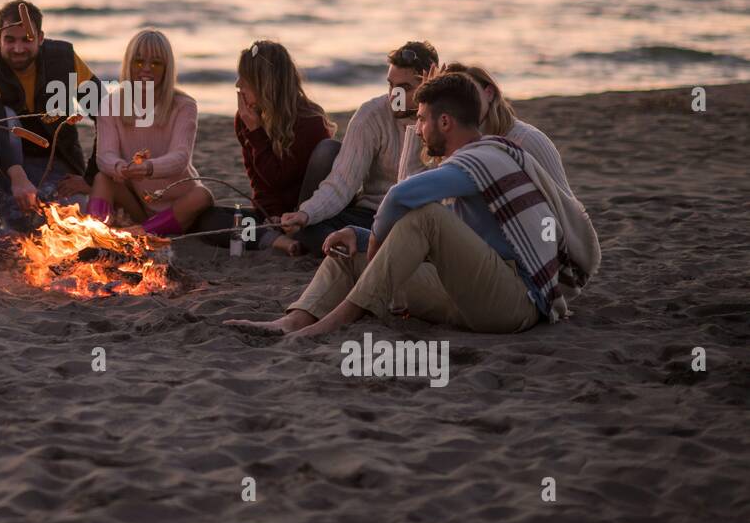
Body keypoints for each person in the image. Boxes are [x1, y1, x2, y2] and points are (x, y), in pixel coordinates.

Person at [227, 72, 600, 337]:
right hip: (472, 292)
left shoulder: (482, 160)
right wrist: (360, 237)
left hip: (512, 305)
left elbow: (399, 197)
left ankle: (335, 321)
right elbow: (446, 236)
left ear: (445, 122)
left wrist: (373, 243)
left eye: (421, 121)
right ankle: (292, 321)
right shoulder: (473, 164)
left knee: (425, 215)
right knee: (347, 251)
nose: (418, 130)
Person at [274, 40, 440, 256]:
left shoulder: (446, 120)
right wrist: (306, 213)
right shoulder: (372, 114)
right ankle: (367, 249)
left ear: (429, 85)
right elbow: (342, 182)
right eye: (391, 85)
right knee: (311, 229)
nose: (393, 96)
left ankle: (369, 251)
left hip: (421, 218)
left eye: (404, 88)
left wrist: (424, 117)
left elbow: (422, 188)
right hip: (371, 215)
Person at [0, 0, 101, 229]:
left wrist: (91, 178)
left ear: (40, 37)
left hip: (59, 160)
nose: (18, 48)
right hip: (5, 169)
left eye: (27, 39)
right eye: (10, 39)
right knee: (14, 229)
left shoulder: (65, 59)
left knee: (76, 223)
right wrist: (18, 178)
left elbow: (105, 115)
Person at [206, 40, 338, 249]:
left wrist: (257, 133)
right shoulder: (246, 119)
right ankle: (275, 241)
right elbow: (257, 180)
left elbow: (279, 178)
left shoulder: (310, 122)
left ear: (265, 84)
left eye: (245, 79)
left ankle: (283, 239)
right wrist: (271, 213)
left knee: (327, 151)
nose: (237, 84)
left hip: (305, 214)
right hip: (274, 218)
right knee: (209, 218)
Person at [85, 29, 213, 236]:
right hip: (140, 206)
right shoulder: (110, 104)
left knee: (202, 195)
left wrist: (149, 167)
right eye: (138, 62)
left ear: (166, 68)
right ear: (129, 64)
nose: (146, 69)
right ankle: (94, 234)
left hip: (180, 206)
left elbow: (180, 157)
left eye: (155, 63)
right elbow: (104, 156)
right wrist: (119, 167)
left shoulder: (184, 106)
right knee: (102, 178)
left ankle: (140, 233)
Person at [402, 62, 572, 193]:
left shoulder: (527, 140)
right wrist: (426, 110)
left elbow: (563, 205)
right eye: (453, 96)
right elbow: (409, 187)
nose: (462, 100)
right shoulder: (456, 142)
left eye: (469, 92)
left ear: (488, 93)